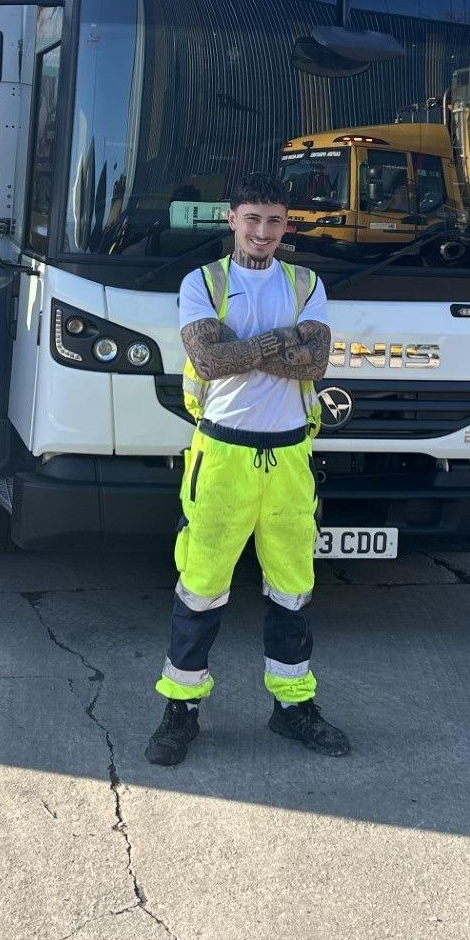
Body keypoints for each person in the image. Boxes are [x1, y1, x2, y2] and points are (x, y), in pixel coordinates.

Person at [147, 172, 350, 766]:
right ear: (231, 219)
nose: (263, 231)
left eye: (275, 221)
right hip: (223, 457)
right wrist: (281, 342)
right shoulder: (203, 281)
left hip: (289, 459)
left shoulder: (306, 282)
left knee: (292, 587)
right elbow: (208, 361)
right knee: (201, 587)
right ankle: (181, 709)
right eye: (252, 219)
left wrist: (244, 348)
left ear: (287, 226)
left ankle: (293, 707)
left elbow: (315, 365)